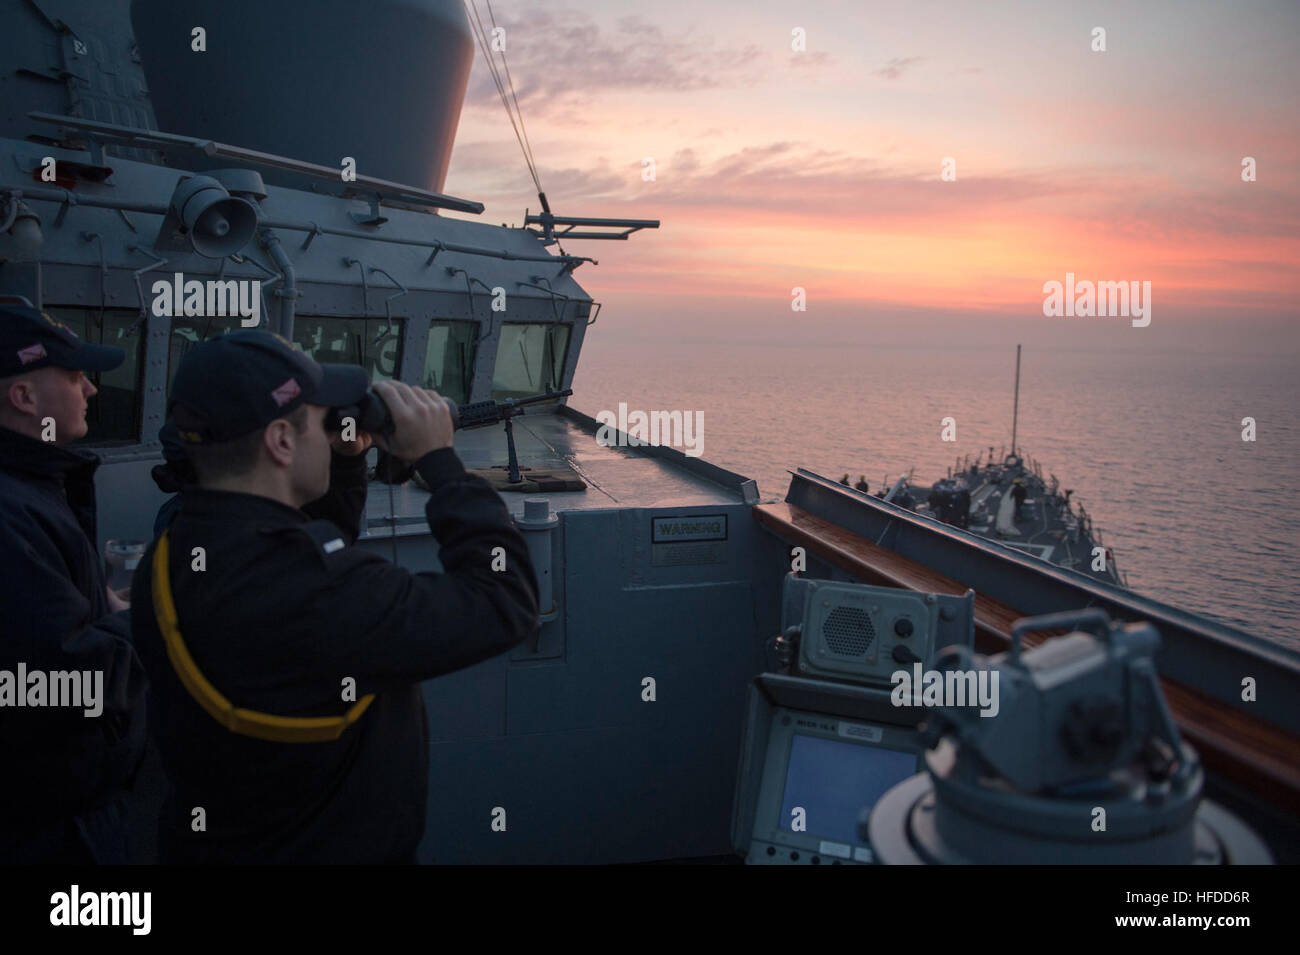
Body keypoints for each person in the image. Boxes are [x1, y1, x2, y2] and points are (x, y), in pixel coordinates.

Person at [130, 330, 540, 863]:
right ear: (280, 441)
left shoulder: (171, 555)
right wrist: (440, 463)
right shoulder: (320, 594)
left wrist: (344, 463)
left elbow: (306, 554)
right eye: (319, 421)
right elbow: (504, 600)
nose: (331, 432)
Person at [0, 304, 148, 863]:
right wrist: (154, 620)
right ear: (24, 398)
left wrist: (104, 608)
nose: (90, 389)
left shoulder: (32, 485)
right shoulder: (12, 509)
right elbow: (57, 684)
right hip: (48, 831)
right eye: (74, 374)